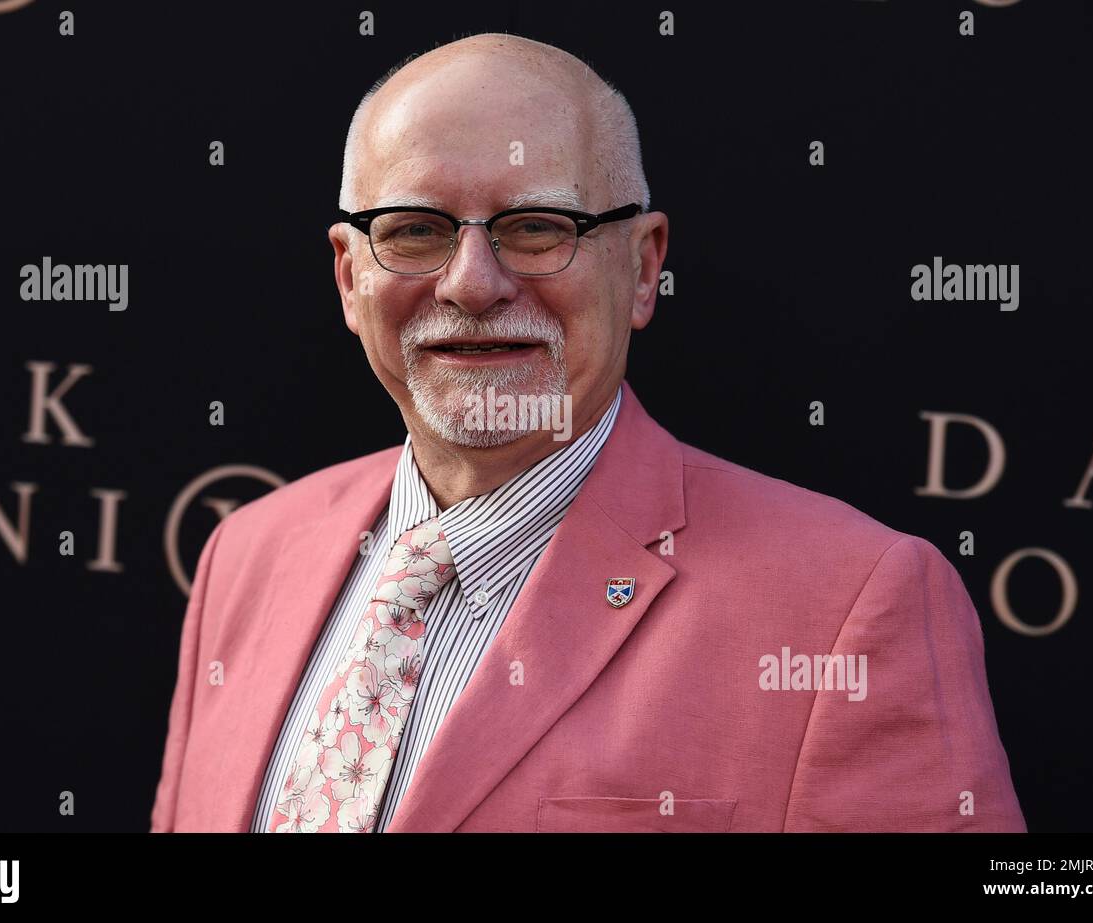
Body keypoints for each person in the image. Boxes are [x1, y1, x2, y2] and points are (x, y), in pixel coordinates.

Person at [150, 32, 1026, 833]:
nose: (473, 283)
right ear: (350, 276)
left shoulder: (850, 609)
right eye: (414, 230)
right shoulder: (247, 555)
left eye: (538, 227)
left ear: (643, 267)